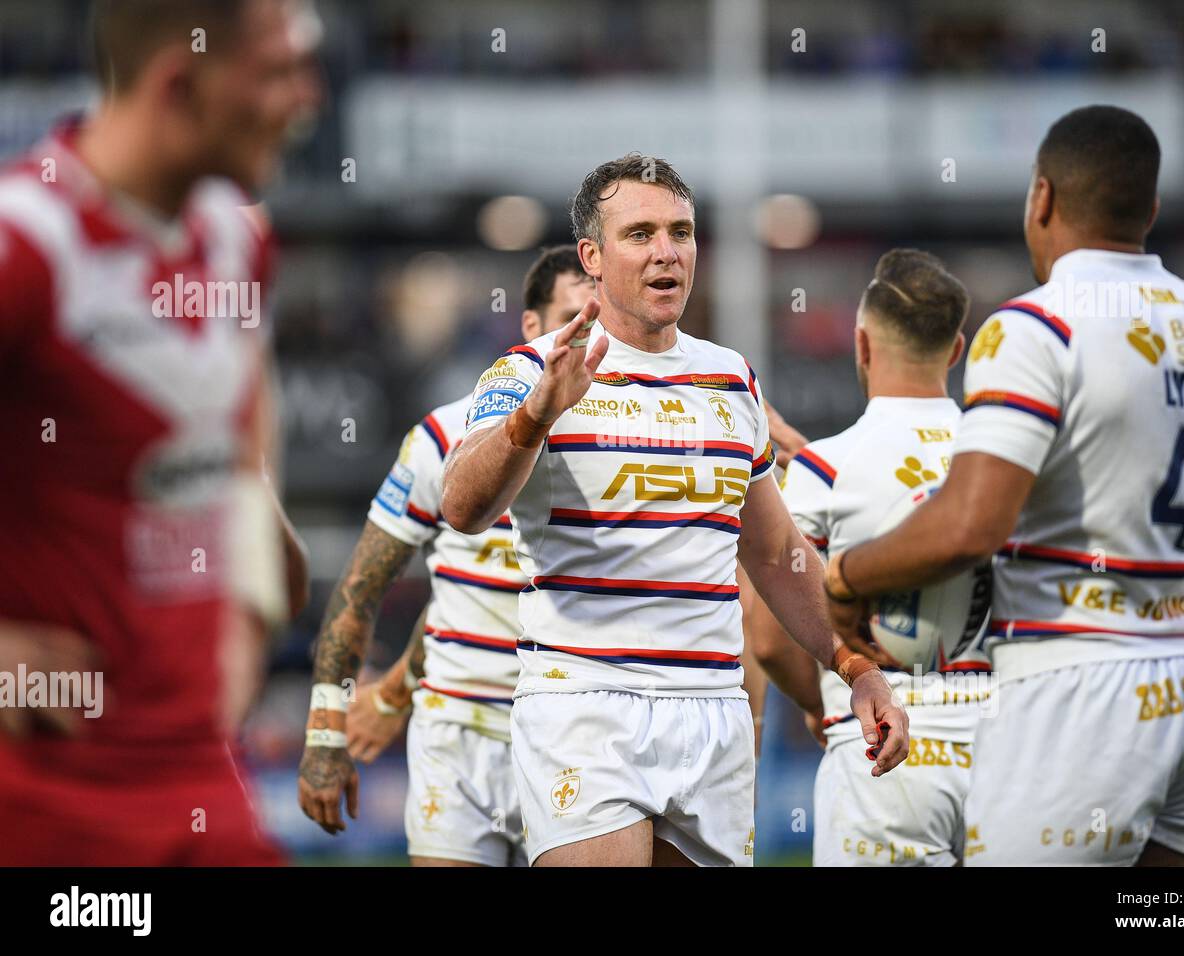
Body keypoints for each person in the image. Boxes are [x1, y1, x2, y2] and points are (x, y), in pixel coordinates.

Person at [825, 106, 1184, 866]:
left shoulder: (1034, 329)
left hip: (1076, 685)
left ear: (1040, 197)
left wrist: (846, 576)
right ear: (1150, 209)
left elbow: (970, 526)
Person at [439, 154, 909, 867]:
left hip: (713, 708)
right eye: (640, 234)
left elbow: (774, 553)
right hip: (585, 701)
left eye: (680, 232)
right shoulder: (531, 370)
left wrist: (855, 666)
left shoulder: (731, 378)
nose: (667, 252)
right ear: (592, 257)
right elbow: (462, 507)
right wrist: (535, 416)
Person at [0, 0, 321, 864]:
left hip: (197, 783)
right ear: (180, 83)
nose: (307, 100)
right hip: (42, 801)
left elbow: (238, 444)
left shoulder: (237, 242)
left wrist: (247, 607)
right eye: (278, 72)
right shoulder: (26, 244)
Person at [297, 247, 594, 866]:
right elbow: (360, 590)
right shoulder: (441, 439)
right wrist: (326, 732)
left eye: (601, 326)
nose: (588, 342)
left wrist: (392, 692)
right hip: (458, 734)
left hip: (577, 730)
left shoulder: (633, 447)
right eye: (573, 320)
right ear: (532, 328)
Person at [748, 248, 989, 866]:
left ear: (861, 344)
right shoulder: (1003, 464)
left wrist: (827, 702)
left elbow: (768, 638)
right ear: (956, 350)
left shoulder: (826, 468)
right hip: (1007, 755)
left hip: (883, 750)